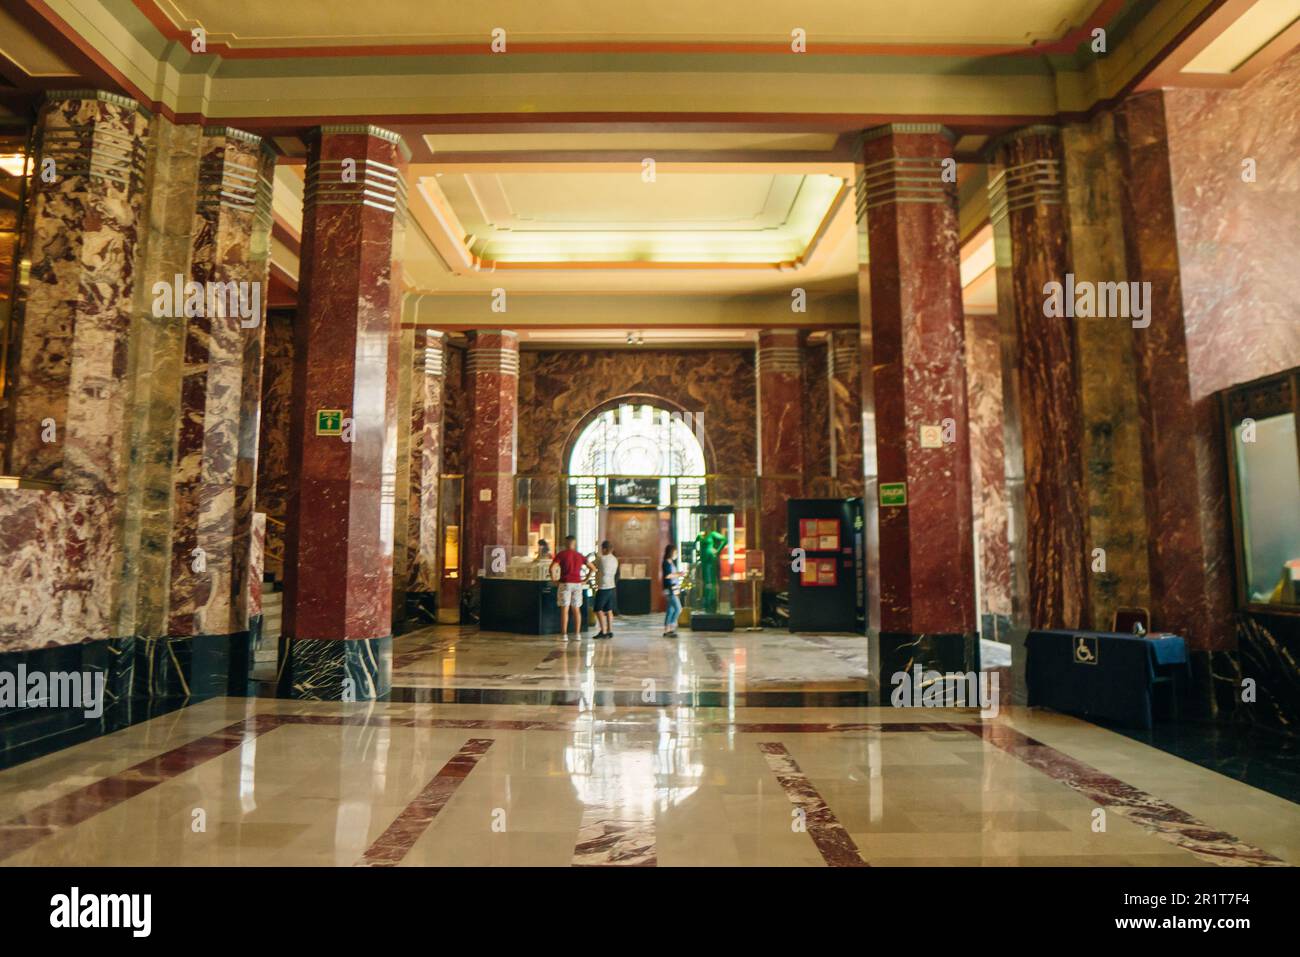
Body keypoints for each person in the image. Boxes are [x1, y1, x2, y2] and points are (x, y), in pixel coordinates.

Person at [550, 535, 593, 640]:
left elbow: (552, 568)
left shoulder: (561, 555)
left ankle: (564, 635)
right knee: (576, 609)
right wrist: (585, 580)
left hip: (565, 583)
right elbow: (593, 568)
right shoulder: (579, 556)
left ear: (566, 543)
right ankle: (577, 634)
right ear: (575, 543)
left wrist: (554, 580)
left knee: (565, 609)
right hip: (578, 584)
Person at [593, 540, 619, 640]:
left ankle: (603, 631)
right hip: (612, 586)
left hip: (603, 587)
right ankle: (610, 631)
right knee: (608, 610)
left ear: (604, 549)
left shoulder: (601, 558)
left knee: (597, 609)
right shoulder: (614, 559)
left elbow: (591, 564)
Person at [662, 543, 683, 638]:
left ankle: (667, 630)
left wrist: (678, 573)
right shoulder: (666, 562)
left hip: (673, 588)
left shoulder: (670, 562)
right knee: (678, 608)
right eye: (675, 552)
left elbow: (672, 574)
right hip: (669, 589)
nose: (676, 554)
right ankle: (672, 626)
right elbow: (667, 575)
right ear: (671, 552)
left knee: (670, 609)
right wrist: (677, 574)